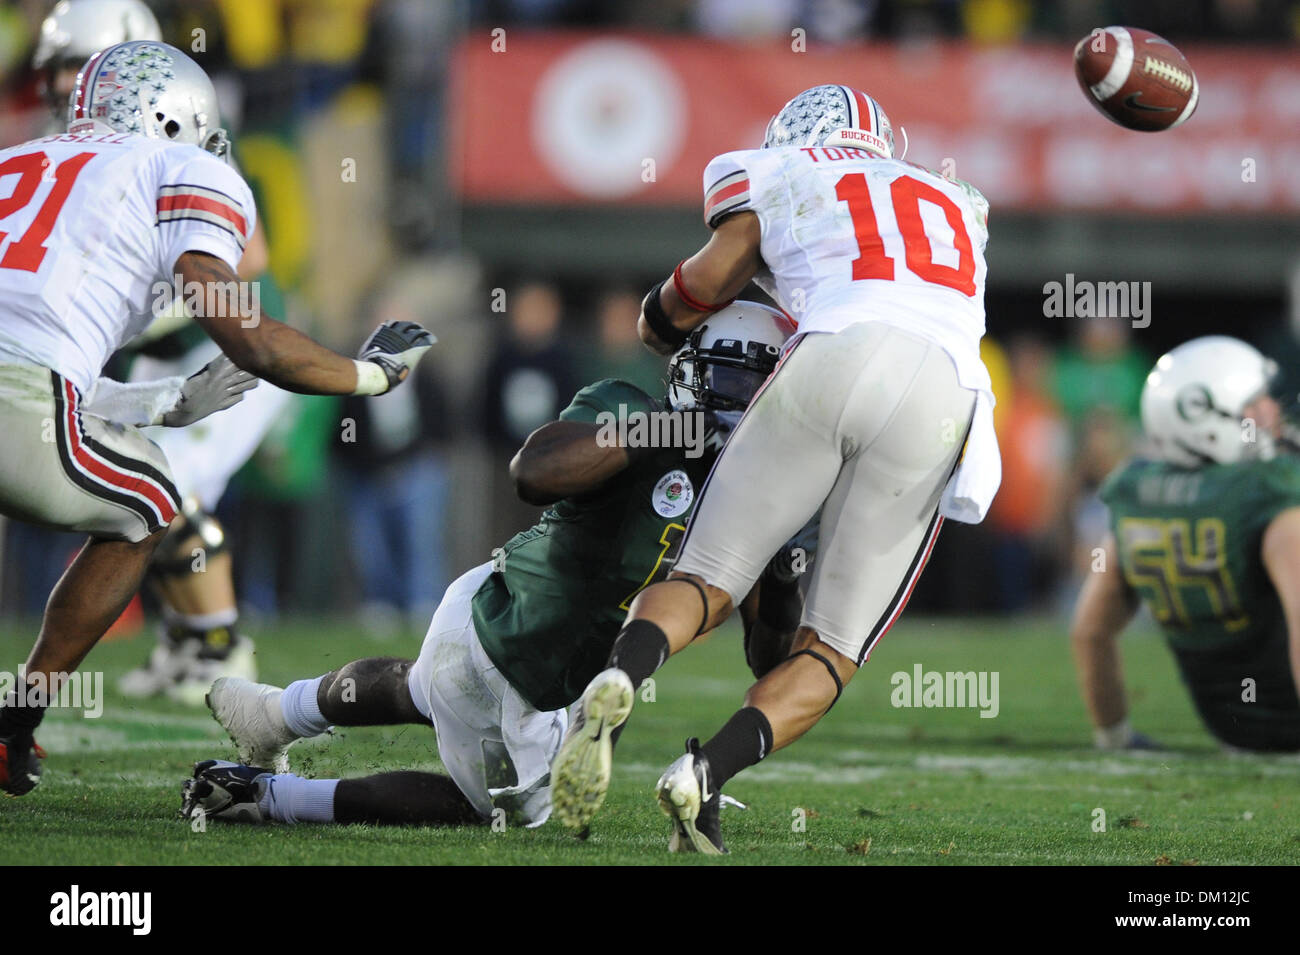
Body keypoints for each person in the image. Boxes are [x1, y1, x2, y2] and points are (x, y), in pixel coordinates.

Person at [550, 84, 1002, 853]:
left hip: (835, 347)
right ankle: (706, 772)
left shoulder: (772, 167)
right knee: (830, 652)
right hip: (947, 387)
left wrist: (659, 318)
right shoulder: (961, 197)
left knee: (705, 577)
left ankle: (622, 677)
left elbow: (709, 277)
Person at [0, 40, 433, 796]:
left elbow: (27, 336)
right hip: (25, 405)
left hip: (32, 387)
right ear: (172, 115)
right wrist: (371, 372)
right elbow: (247, 332)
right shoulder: (179, 168)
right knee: (152, 503)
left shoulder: (19, 158)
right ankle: (13, 719)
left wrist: (159, 401)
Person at [179, 304, 800, 829]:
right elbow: (534, 473)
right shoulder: (631, 408)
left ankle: (276, 713)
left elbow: (767, 659)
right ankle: (267, 796)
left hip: (490, 619)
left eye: (756, 389)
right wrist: (658, 431)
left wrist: (780, 570)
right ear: (693, 375)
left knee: (430, 688)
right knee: (509, 808)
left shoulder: (754, 498)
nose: (740, 405)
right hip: (521, 646)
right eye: (730, 383)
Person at [30, 0, 295, 702]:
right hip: (158, 360)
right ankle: (185, 640)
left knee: (167, 489)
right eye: (56, 67)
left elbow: (251, 256)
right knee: (142, 489)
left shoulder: (179, 117)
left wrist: (133, 316)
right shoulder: (80, 138)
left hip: (220, 348)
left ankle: (220, 643)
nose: (59, 84)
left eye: (71, 65)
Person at [1072, 336, 1300, 754]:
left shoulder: (1141, 497)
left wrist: (1115, 735)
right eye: (1255, 403)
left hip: (1231, 727)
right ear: (1203, 415)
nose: (1271, 411)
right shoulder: (1268, 495)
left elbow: (1090, 633)